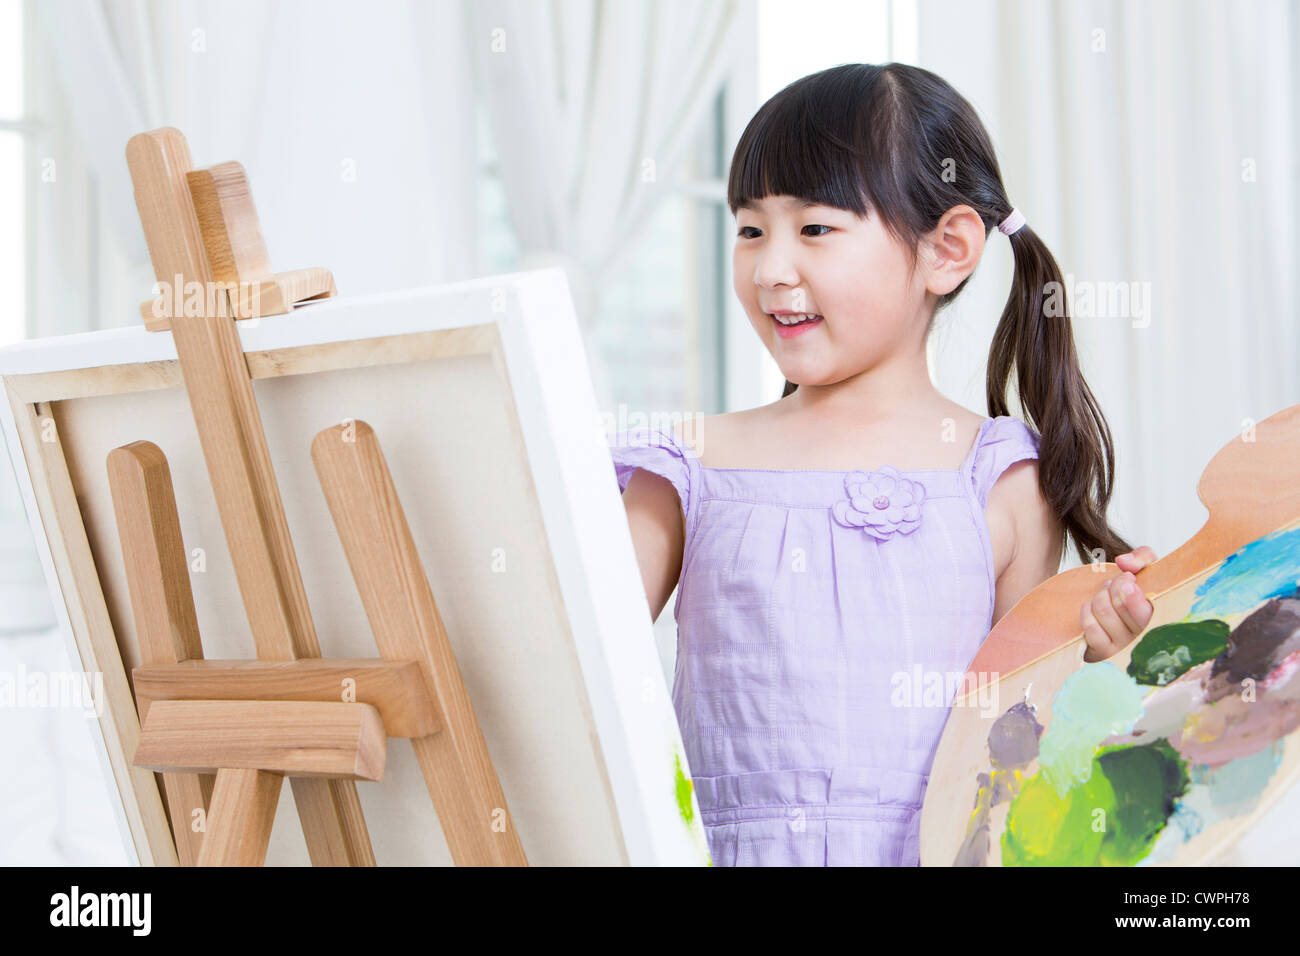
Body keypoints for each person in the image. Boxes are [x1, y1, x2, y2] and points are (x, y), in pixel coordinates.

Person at [609, 63, 1155, 866]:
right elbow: (568, 653)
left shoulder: (999, 479)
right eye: (751, 228)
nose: (770, 268)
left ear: (947, 250)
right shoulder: (689, 465)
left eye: (816, 228)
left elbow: (1019, 745)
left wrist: (1104, 659)